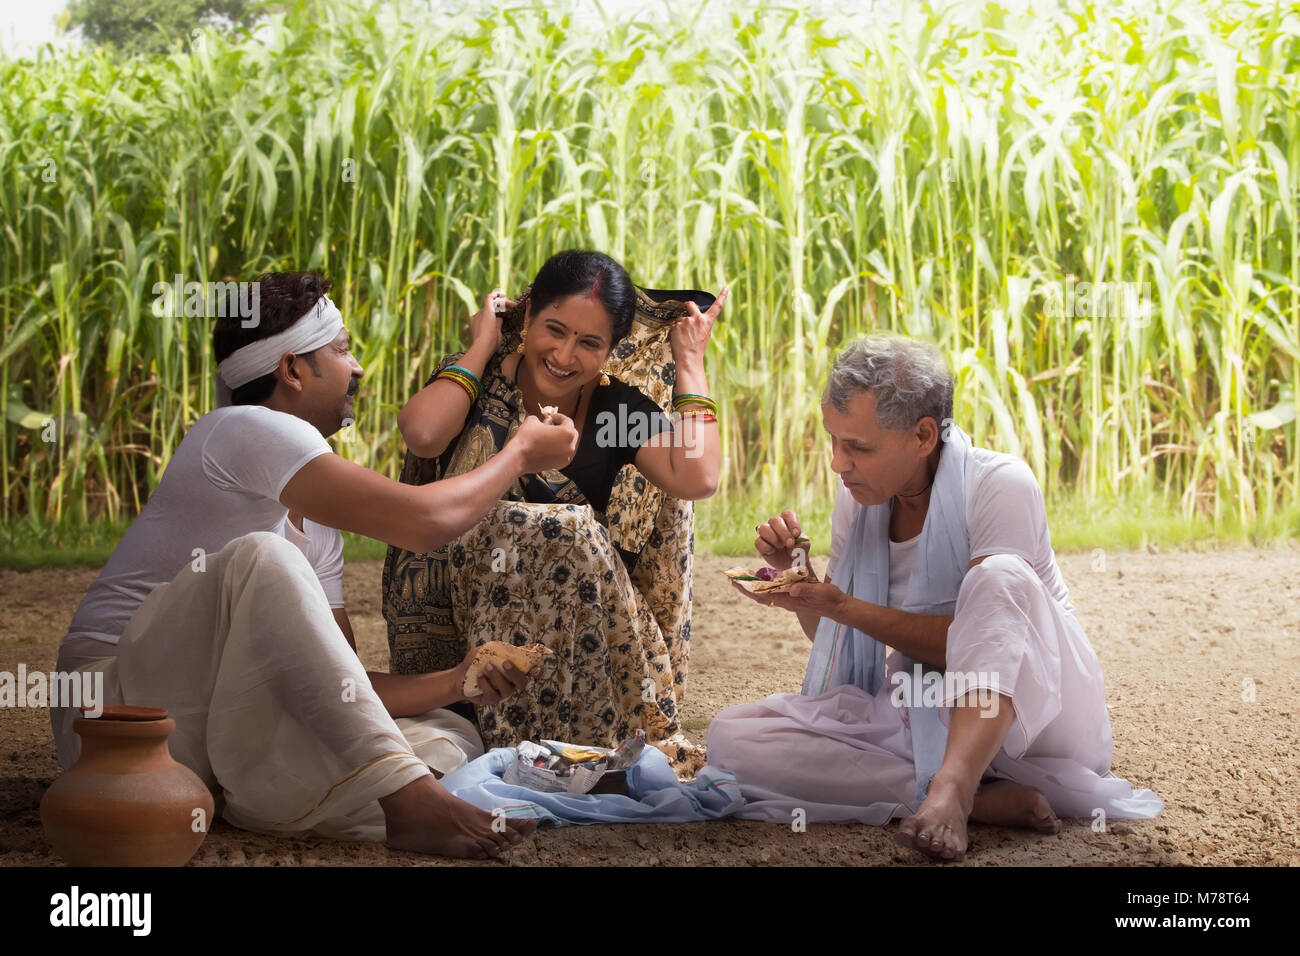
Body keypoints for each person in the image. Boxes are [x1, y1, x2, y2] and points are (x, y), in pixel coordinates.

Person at [52, 270, 582, 859]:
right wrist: (521, 452)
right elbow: (426, 522)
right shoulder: (239, 429)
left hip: (203, 736)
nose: (357, 368)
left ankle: (307, 798)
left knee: (450, 732)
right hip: (110, 719)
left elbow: (338, 685)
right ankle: (409, 802)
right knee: (265, 555)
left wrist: (456, 683)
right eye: (342, 348)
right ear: (292, 369)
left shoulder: (315, 520)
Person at [706, 332, 1163, 861]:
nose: (838, 463)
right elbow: (841, 636)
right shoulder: (859, 498)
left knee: (1001, 577)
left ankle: (953, 788)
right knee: (733, 737)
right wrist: (808, 592)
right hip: (921, 709)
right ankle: (963, 793)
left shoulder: (1000, 484)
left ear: (924, 435)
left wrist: (843, 605)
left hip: (1036, 717)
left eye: (857, 446)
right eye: (833, 440)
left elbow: (974, 647)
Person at [383, 250, 727, 772]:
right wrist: (482, 345)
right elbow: (425, 436)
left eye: (590, 343)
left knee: (568, 534)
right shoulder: (475, 385)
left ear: (611, 349)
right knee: (524, 528)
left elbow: (698, 477)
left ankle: (567, 749)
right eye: (554, 330)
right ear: (526, 321)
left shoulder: (614, 411)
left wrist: (690, 363)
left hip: (573, 644)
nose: (565, 356)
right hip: (467, 637)